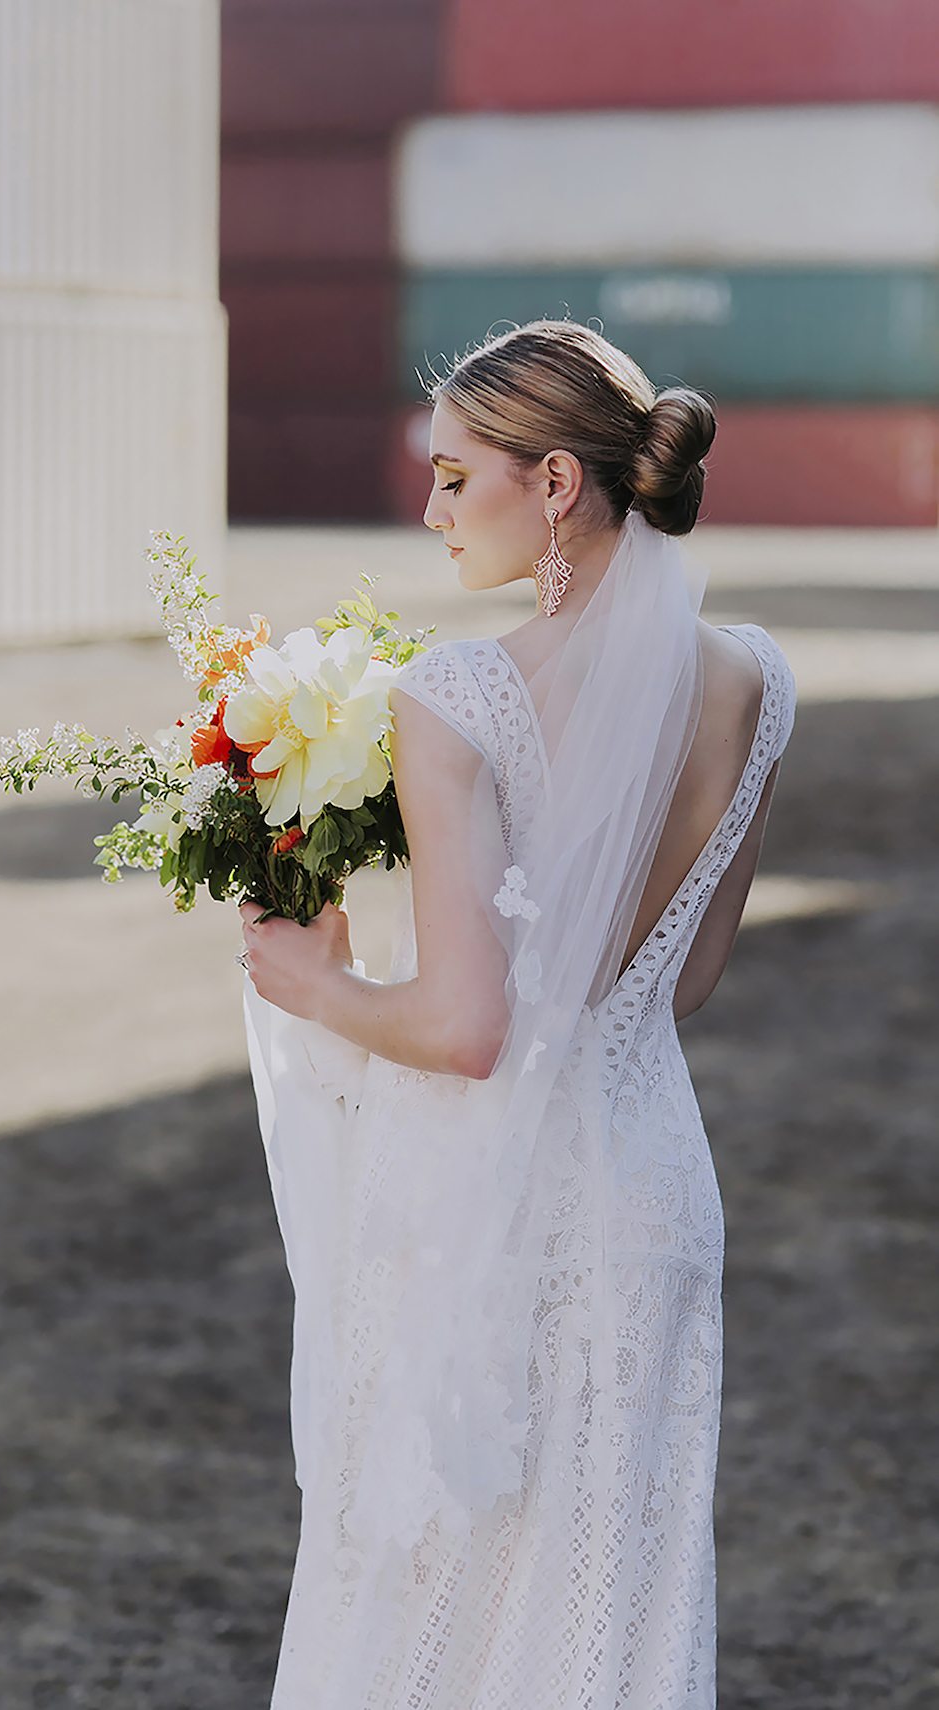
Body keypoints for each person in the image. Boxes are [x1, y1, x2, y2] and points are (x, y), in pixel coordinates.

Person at [239, 319, 795, 1709]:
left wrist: (319, 982)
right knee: (616, 1593)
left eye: (452, 478)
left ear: (555, 482)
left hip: (495, 1208)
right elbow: (685, 975)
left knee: (434, 1599)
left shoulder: (460, 696)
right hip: (655, 1192)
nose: (428, 512)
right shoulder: (759, 681)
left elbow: (469, 1030)